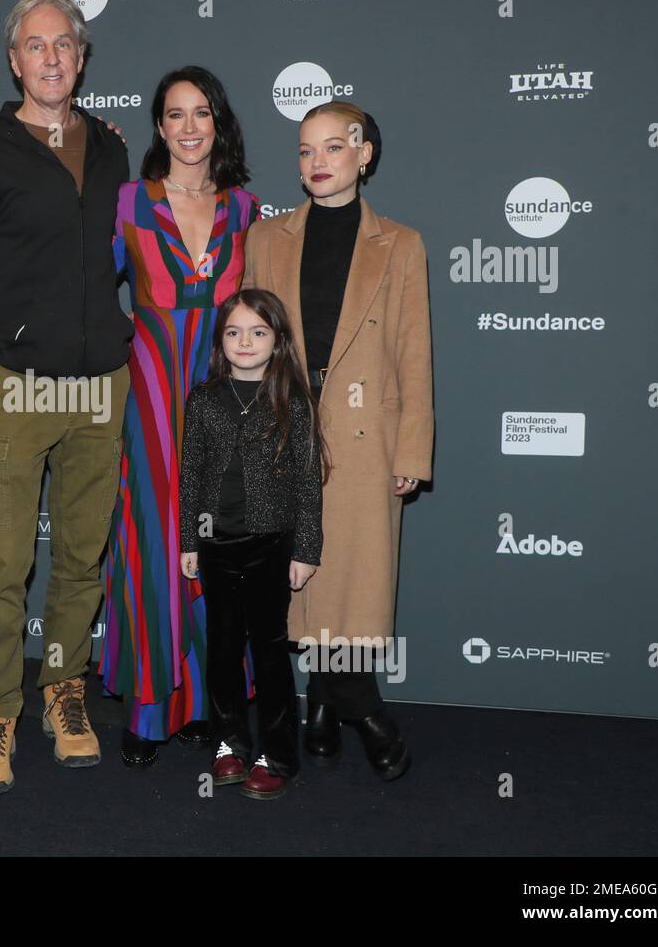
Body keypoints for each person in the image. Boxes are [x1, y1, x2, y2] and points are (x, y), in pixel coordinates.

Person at [0, 0, 131, 793]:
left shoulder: (115, 149)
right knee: (5, 565)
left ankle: (64, 691)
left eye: (65, 44)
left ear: (82, 59)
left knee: (83, 559)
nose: (52, 57)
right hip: (11, 388)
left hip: (100, 389)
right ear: (15, 61)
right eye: (35, 46)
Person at [245, 101, 433, 781]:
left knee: (350, 579)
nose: (316, 162)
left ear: (365, 155)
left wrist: (412, 450)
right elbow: (248, 348)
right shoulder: (266, 239)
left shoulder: (402, 244)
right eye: (304, 150)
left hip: (366, 435)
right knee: (305, 575)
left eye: (332, 147)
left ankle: (332, 704)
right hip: (285, 427)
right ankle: (356, 710)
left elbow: (414, 352)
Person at [97, 66, 261, 769]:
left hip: (226, 406)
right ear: (158, 127)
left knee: (219, 548)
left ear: (217, 123)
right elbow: (81, 292)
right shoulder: (129, 203)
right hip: (152, 404)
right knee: (150, 547)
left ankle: (204, 701)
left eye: (202, 114)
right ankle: (148, 706)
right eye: (174, 114)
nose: (189, 128)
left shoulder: (246, 211)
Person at [179, 289, 322, 799]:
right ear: (221, 341)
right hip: (217, 545)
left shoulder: (293, 401)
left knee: (268, 651)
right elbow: (190, 474)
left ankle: (279, 751)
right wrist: (189, 539)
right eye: (234, 332)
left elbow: (309, 481)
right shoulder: (203, 399)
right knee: (221, 650)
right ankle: (229, 743)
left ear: (278, 341)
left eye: (258, 332)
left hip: (272, 544)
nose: (245, 341)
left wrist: (306, 549)